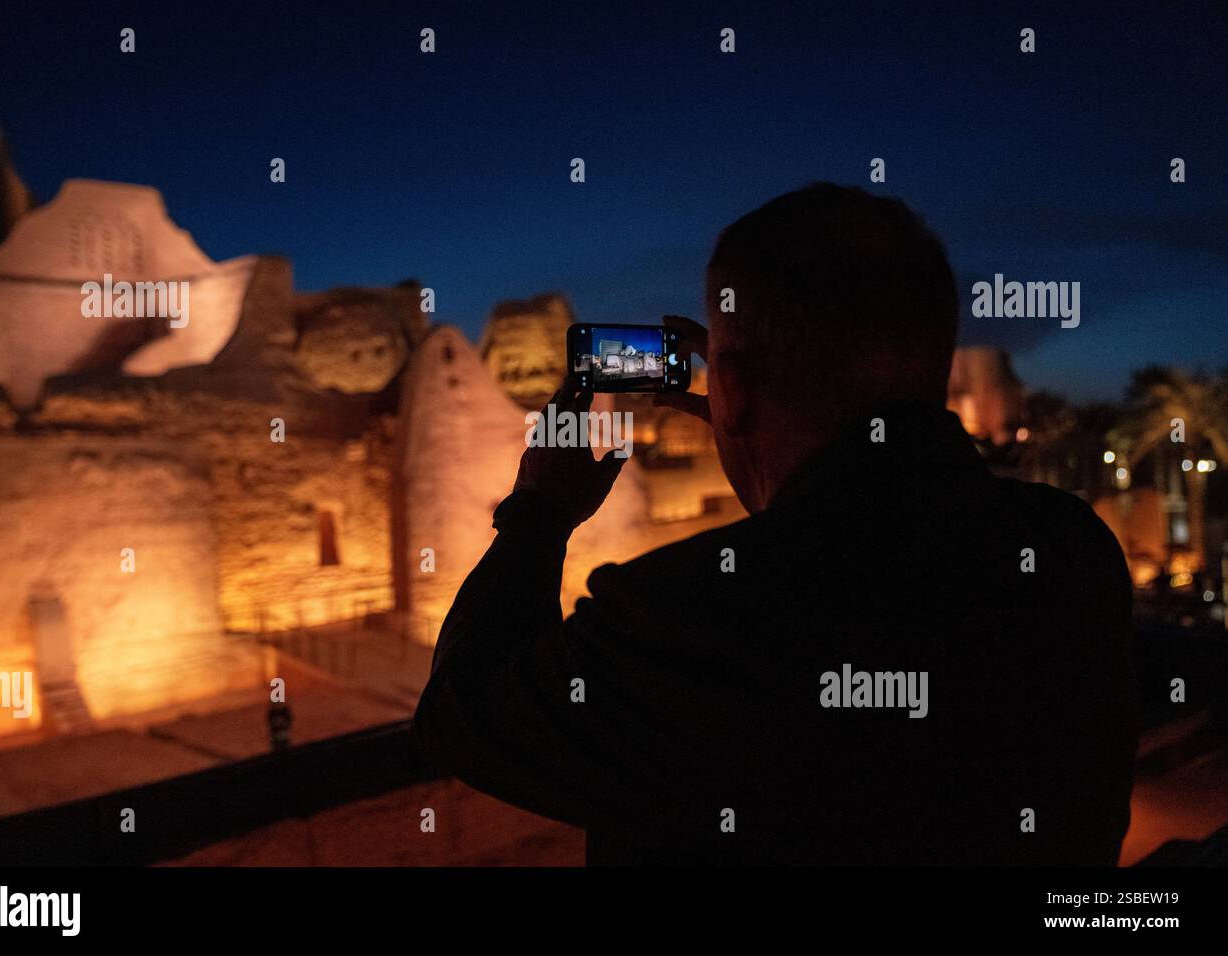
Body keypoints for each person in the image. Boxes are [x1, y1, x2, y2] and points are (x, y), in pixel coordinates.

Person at [414, 183, 1137, 865]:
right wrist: (757, 442)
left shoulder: (684, 619)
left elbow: (462, 714)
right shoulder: (1070, 551)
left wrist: (539, 513)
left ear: (728, 385)